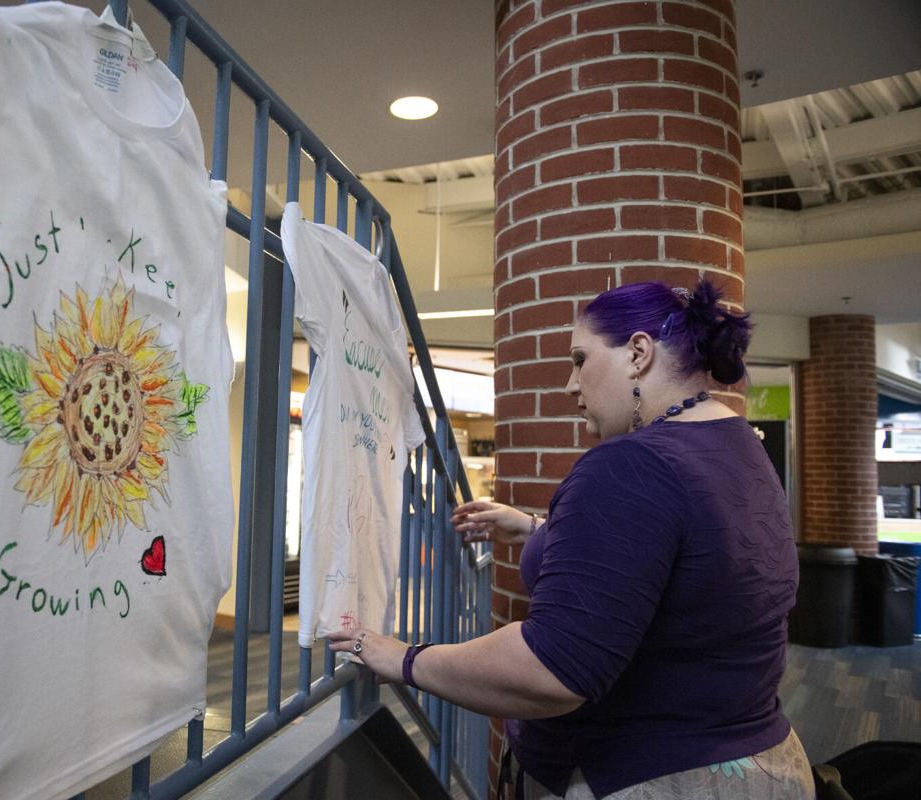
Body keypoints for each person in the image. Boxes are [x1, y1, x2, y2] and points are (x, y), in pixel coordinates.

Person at [328, 280, 812, 799]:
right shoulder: (737, 442)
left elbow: (551, 670)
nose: (570, 383)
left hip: (654, 776)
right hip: (763, 763)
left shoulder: (632, 464)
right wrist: (535, 528)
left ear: (638, 353)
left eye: (581, 359)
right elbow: (684, 555)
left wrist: (401, 657)